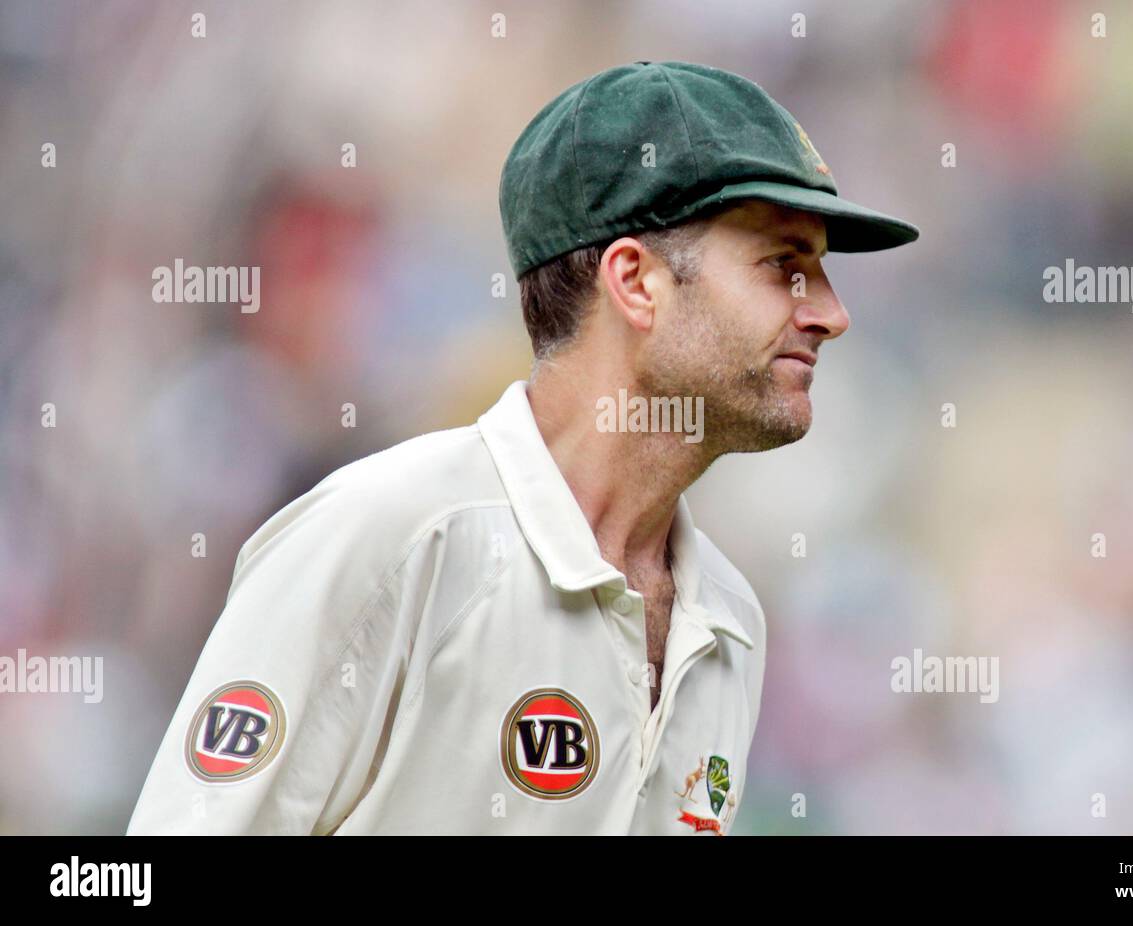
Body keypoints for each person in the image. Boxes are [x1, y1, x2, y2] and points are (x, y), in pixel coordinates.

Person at [126, 60, 918, 835]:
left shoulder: (729, 621)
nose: (832, 314)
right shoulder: (396, 537)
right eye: (785, 266)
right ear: (636, 281)